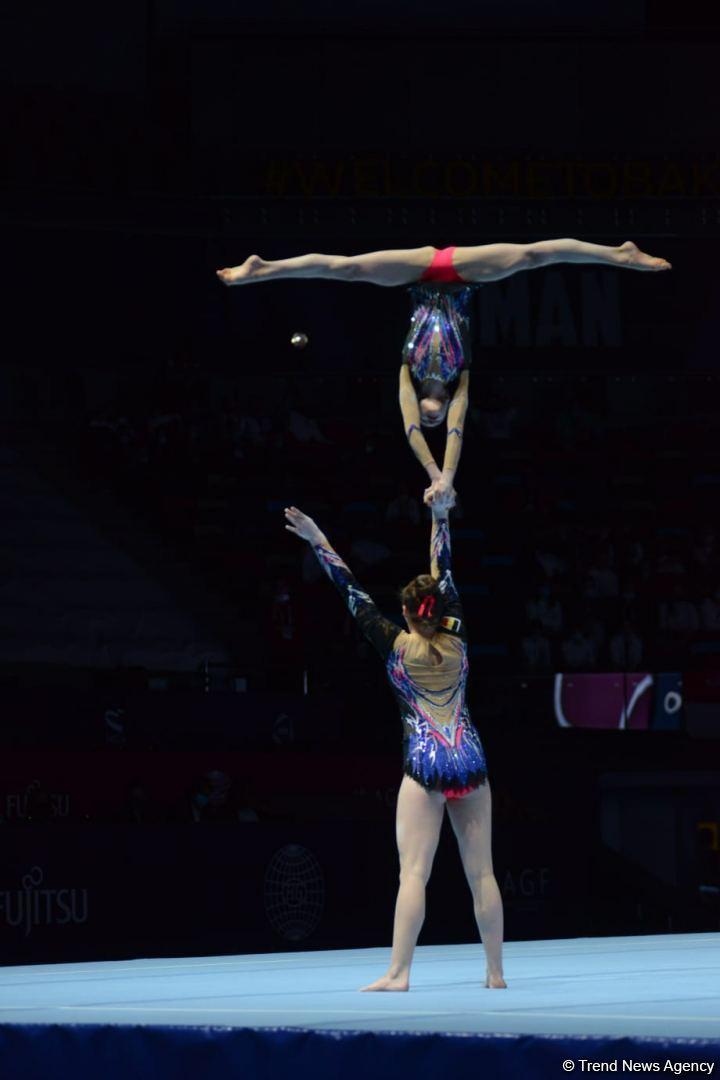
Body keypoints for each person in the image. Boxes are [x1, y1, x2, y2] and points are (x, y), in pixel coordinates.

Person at [219, 240, 671, 503]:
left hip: (417, 274)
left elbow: (411, 431)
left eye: (427, 420)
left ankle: (263, 270)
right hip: (462, 275)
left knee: (351, 269)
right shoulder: (461, 381)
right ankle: (621, 255)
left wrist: (431, 473)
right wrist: (447, 479)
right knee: (533, 257)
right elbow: (456, 431)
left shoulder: (406, 378)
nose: (434, 422)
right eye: (441, 420)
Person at [284, 494, 506, 991]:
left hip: (425, 763)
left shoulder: (395, 643)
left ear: (406, 612)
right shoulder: (458, 637)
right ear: (439, 610)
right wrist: (440, 513)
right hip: (469, 760)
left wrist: (319, 540)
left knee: (413, 874)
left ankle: (399, 973)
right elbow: (443, 566)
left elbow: (351, 591)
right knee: (482, 874)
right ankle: (495, 974)